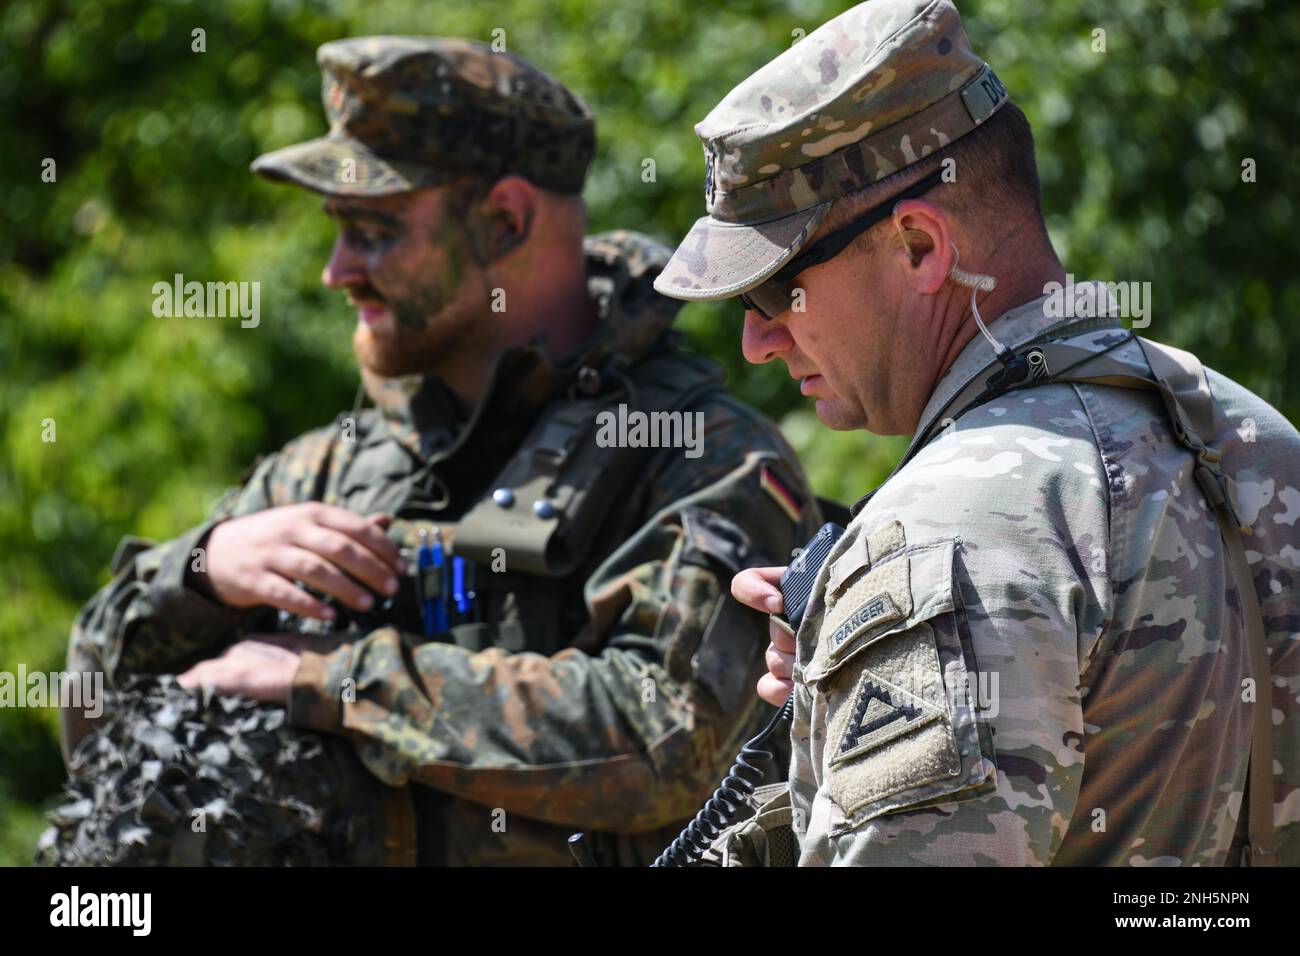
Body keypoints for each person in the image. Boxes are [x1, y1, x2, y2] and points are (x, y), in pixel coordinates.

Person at [60, 36, 821, 866]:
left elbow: (670, 739)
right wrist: (198, 572)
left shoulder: (699, 458)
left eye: (374, 232)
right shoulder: (321, 470)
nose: (335, 272)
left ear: (505, 220)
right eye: (338, 233)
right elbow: (94, 722)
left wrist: (336, 680)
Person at [656, 0, 1300, 866]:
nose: (756, 340)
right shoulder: (1254, 437)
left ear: (921, 247)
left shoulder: (942, 532)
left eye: (776, 290)